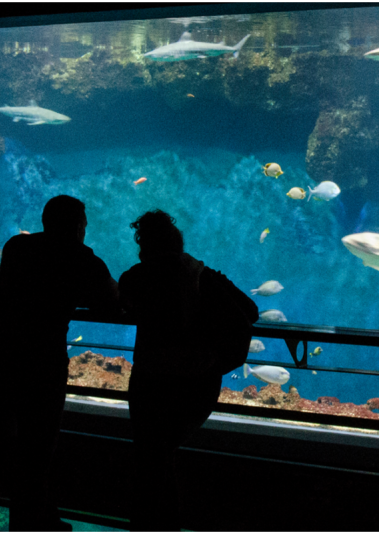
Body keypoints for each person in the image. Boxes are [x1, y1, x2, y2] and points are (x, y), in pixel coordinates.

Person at [0, 195, 119, 531]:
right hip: (41, 360)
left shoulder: (16, 247)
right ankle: (40, 520)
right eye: (83, 223)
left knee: (2, 440)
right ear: (78, 226)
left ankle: (33, 519)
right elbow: (110, 302)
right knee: (37, 445)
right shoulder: (82, 258)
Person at [118, 210, 258, 531]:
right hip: (197, 385)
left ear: (145, 246)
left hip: (151, 383)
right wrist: (212, 359)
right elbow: (249, 311)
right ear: (179, 244)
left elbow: (121, 301)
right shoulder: (202, 275)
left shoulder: (135, 277)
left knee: (150, 460)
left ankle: (152, 525)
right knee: (161, 457)